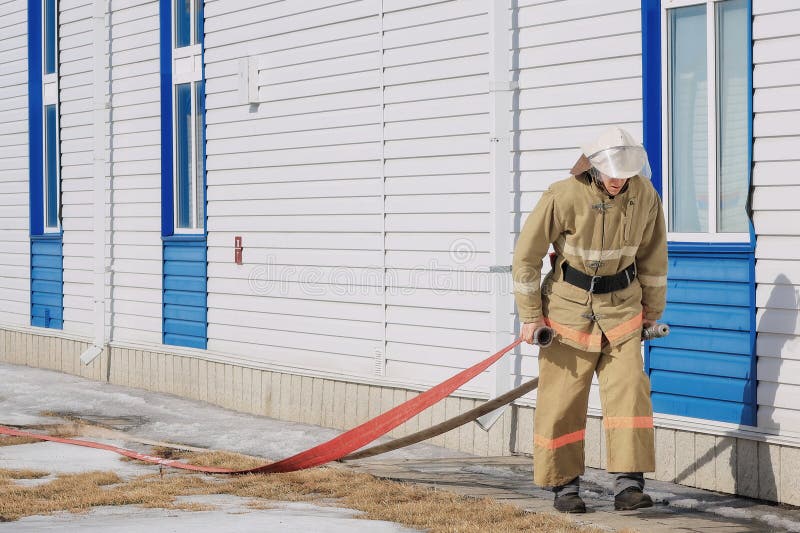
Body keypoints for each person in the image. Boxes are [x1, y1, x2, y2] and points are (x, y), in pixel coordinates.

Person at [511, 126, 668, 513]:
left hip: (623, 310)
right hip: (567, 311)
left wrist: (653, 311)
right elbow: (525, 259)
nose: (618, 181)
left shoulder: (645, 196)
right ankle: (565, 486)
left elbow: (653, 259)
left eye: (625, 172)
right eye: (612, 172)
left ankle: (629, 486)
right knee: (563, 400)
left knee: (630, 391)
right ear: (593, 168)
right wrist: (531, 316)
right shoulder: (562, 195)